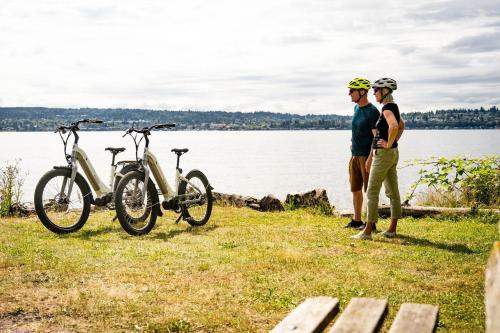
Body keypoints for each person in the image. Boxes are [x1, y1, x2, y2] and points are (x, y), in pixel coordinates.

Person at [351, 77, 405, 240]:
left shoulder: (386, 109)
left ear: (385, 91)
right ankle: (392, 229)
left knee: (372, 191)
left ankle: (367, 231)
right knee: (393, 192)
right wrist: (394, 142)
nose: (374, 93)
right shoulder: (393, 107)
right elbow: (402, 125)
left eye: (376, 91)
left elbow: (395, 126)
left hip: (384, 154)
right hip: (393, 154)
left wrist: (388, 143)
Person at [345, 78, 380, 230]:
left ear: (362, 92)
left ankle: (371, 224)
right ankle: (357, 220)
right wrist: (352, 142)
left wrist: (370, 158)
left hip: (366, 156)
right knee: (355, 189)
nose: (349, 94)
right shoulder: (356, 109)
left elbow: (376, 137)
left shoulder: (372, 112)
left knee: (370, 191)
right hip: (355, 155)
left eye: (351, 91)